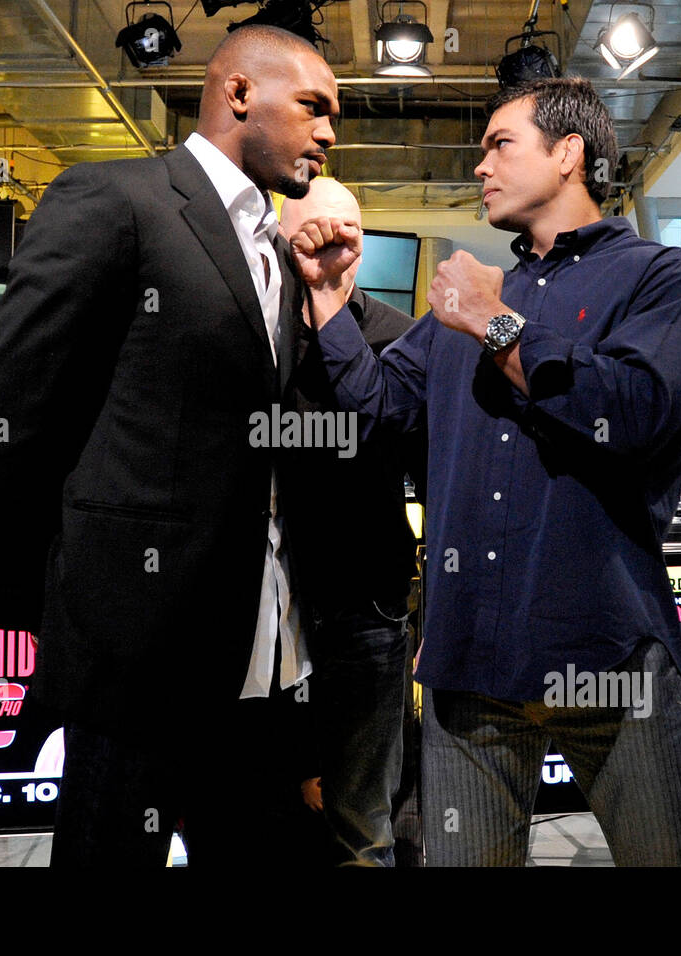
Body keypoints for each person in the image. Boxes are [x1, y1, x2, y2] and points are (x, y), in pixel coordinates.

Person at [290, 76, 681, 866]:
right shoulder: (466, 297)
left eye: (499, 145)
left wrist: (494, 323)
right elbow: (374, 411)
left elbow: (636, 411)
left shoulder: (662, 279)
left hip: (609, 660)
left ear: (568, 154)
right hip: (471, 669)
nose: (480, 166)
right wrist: (326, 300)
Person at [0, 25, 340, 867]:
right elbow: (8, 411)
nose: (329, 133)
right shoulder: (114, 199)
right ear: (239, 93)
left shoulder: (275, 253)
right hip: (135, 655)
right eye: (314, 107)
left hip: (262, 655)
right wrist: (42, 603)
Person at [277, 178, 424, 866]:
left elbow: (410, 457)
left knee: (362, 820)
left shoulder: (397, 339)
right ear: (284, 240)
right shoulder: (260, 336)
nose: (339, 243)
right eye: (319, 228)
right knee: (262, 806)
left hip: (366, 605)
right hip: (264, 608)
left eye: (351, 229)